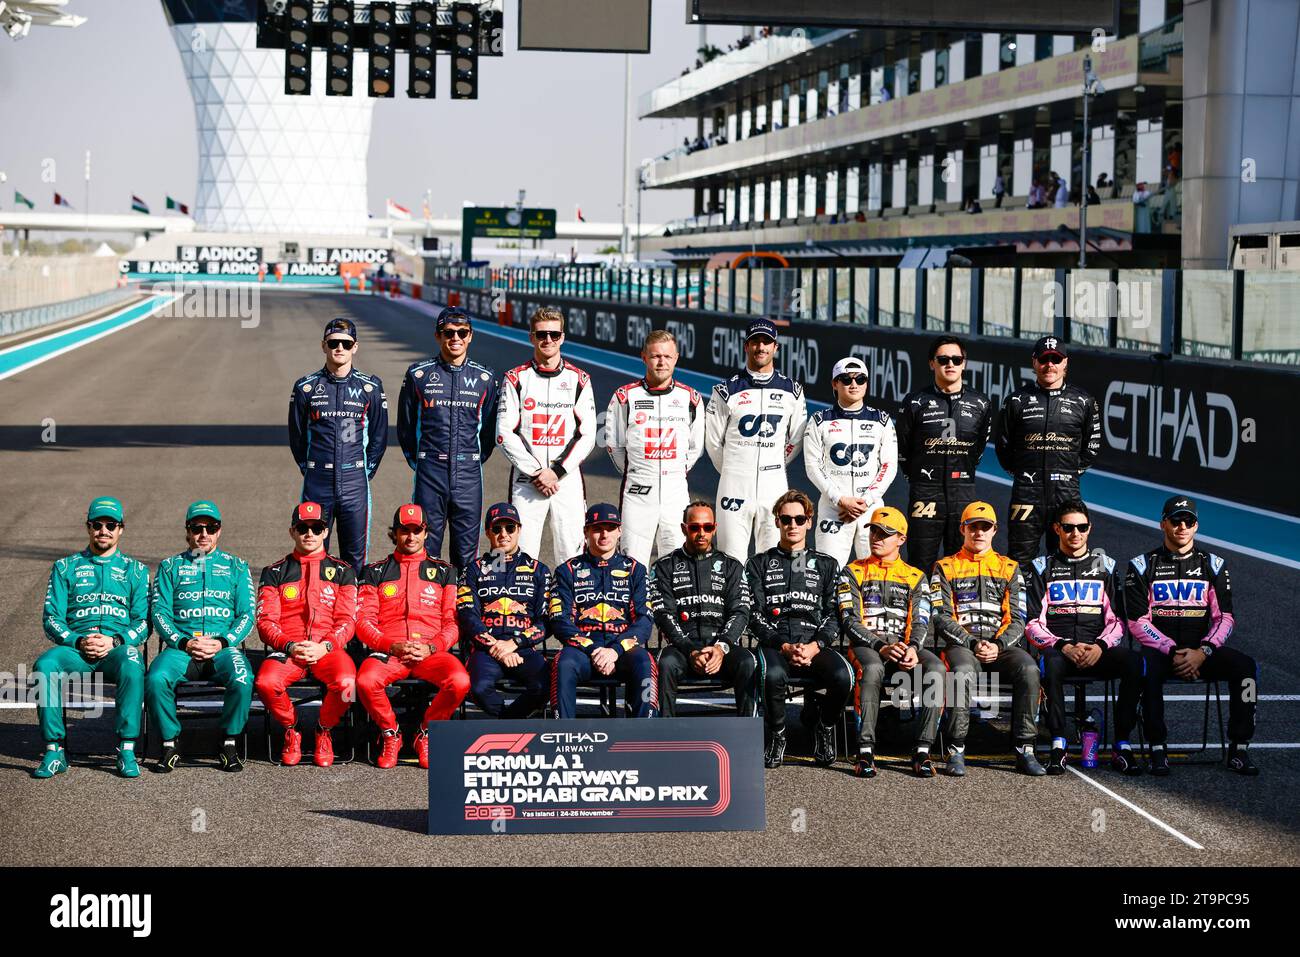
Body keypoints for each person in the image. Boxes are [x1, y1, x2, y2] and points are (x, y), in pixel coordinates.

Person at [1125, 496, 1259, 777]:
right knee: (1145, 669)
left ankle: (1240, 747)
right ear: (1163, 524)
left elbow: (1225, 617)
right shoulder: (1140, 566)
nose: (1182, 526)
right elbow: (1137, 622)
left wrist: (1205, 650)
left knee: (1246, 669)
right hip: (1161, 651)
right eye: (1176, 521)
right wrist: (1171, 650)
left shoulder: (1215, 565)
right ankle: (1157, 749)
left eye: (1189, 521)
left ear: (1196, 526)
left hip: (1202, 651)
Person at [32, 497, 149, 779]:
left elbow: (144, 623)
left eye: (111, 525)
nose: (104, 530)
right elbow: (51, 619)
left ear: (121, 529)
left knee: (133, 663)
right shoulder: (64, 567)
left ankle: (127, 748)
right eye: (97, 524)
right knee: (44, 666)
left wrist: (116, 641)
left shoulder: (136, 570)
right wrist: (77, 640)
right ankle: (53, 749)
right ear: (88, 528)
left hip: (116, 648)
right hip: (76, 649)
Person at [1025, 500, 1143, 775]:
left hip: (1098, 648)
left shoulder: (1107, 566)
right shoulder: (1042, 567)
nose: (1075, 533)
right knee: (1050, 665)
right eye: (1068, 527)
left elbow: (1118, 621)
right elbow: (1031, 623)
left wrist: (1101, 646)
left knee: (1135, 663)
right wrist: (1063, 645)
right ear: (1057, 529)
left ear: (1090, 529)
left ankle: (1122, 744)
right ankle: (1058, 743)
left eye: (1081, 527)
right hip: (1060, 649)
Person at [930, 502, 1045, 777]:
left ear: (994, 530)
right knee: (962, 671)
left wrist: (999, 645)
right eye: (973, 526)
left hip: (1000, 646)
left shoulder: (1009, 567)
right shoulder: (944, 567)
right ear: (963, 530)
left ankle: (1024, 749)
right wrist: (972, 643)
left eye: (985, 527)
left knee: (1029, 668)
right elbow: (941, 616)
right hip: (963, 646)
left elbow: (1018, 617)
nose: (978, 532)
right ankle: (956, 749)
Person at [355, 504, 468, 769]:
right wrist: (389, 645)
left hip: (430, 652)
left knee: (460, 681)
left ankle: (426, 733)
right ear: (394, 533)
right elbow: (363, 621)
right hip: (390, 650)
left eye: (416, 530)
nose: (411, 537)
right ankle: (390, 734)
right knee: (365, 680)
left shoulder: (445, 571)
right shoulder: (374, 571)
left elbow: (452, 622)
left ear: (426, 533)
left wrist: (432, 647)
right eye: (404, 531)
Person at [146, 500, 254, 773]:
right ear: (188, 530)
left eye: (211, 527)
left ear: (219, 531)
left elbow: (247, 615)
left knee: (243, 679)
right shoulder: (170, 566)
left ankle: (228, 742)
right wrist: (184, 642)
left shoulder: (237, 567)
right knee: (156, 678)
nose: (203, 534)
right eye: (197, 528)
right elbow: (159, 613)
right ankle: (170, 742)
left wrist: (223, 642)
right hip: (181, 648)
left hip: (223, 648)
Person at [747, 490, 853, 769]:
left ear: (809, 521)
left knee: (843, 676)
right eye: (786, 519)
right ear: (777, 522)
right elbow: (753, 614)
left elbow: (836, 614)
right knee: (773, 675)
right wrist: (782, 645)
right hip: (776, 644)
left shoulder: (828, 565)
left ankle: (825, 726)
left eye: (799, 518)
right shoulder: (757, 564)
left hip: (814, 644)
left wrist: (816, 645)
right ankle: (778, 734)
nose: (792, 525)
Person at [837, 507, 943, 778]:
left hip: (904, 647)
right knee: (872, 669)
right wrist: (879, 646)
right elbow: (849, 620)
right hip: (868, 647)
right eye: (873, 530)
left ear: (901, 539)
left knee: (938, 670)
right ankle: (865, 751)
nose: (877, 537)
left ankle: (922, 751)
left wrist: (913, 648)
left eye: (885, 533)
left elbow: (921, 621)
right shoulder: (851, 572)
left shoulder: (916, 577)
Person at [254, 502, 359, 768]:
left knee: (348, 685)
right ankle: (293, 729)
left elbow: (348, 621)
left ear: (326, 532)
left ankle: (324, 730)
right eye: (303, 528)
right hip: (289, 649)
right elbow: (266, 622)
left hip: (328, 649)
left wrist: (326, 646)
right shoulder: (274, 572)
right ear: (292, 532)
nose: (309, 534)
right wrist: (289, 646)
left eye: (316, 527)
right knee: (266, 683)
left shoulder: (344, 571)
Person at [397, 307, 498, 571]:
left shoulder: (485, 378)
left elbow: (488, 432)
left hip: (468, 473)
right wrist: (420, 461)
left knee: (465, 554)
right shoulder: (418, 375)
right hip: (430, 472)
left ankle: (460, 610)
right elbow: (405, 428)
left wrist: (472, 459)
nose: (455, 338)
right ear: (438, 336)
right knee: (425, 548)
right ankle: (426, 609)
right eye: (448, 333)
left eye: (462, 333)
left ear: (470, 336)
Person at [496, 306, 597, 567]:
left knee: (572, 552)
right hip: (527, 480)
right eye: (542, 335)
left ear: (562, 337)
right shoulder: (515, 378)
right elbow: (504, 434)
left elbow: (587, 435)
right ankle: (522, 608)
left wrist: (557, 471)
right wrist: (538, 472)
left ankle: (569, 608)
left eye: (554, 334)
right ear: (531, 337)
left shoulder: (580, 379)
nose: (548, 340)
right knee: (521, 553)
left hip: (567, 480)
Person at [288, 317, 389, 573]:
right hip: (317, 479)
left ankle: (352, 611)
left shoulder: (371, 387)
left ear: (355, 347)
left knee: (354, 558)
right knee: (312, 552)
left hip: (355, 480)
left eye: (346, 343)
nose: (339, 348)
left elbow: (379, 438)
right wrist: (310, 467)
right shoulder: (306, 387)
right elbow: (297, 437)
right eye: (333, 343)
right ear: (324, 345)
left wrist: (363, 472)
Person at [705, 318, 808, 561]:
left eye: (766, 342)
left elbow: (795, 438)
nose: (760, 347)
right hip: (734, 483)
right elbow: (713, 441)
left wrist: (775, 463)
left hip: (774, 484)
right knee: (732, 560)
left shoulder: (792, 390)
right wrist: (734, 468)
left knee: (773, 561)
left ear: (776, 348)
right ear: (746, 346)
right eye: (755, 342)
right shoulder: (725, 390)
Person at [994, 336, 1101, 566]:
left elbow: (1092, 445)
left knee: (1066, 560)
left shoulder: (1084, 401)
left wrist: (1069, 473)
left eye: (1055, 359)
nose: (1049, 365)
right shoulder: (1016, 400)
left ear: (1065, 363)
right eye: (1044, 359)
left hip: (1066, 495)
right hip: (1026, 494)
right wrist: (1024, 475)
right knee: (1020, 563)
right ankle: (1022, 604)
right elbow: (1003, 446)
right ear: (1034, 363)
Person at [606, 330, 705, 566]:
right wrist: (640, 471)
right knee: (632, 564)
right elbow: (614, 445)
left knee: (678, 564)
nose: (661, 362)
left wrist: (673, 473)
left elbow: (695, 448)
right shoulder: (624, 396)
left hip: (676, 493)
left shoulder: (691, 398)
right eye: (655, 356)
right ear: (643, 357)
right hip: (638, 493)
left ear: (676, 358)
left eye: (667, 357)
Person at [895, 335, 992, 576]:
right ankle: (919, 613)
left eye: (956, 359)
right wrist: (919, 478)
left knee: (961, 561)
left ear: (964, 363)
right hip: (925, 491)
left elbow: (978, 450)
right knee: (920, 560)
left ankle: (955, 613)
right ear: (932, 363)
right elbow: (903, 449)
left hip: (963, 491)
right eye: (943, 359)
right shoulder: (915, 402)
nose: (950, 364)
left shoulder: (980, 403)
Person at [651, 501, 758, 717]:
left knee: (748, 661)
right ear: (684, 528)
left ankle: (747, 737)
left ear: (715, 528)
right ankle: (665, 737)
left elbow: (740, 612)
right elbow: (663, 615)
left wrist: (721, 648)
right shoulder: (664, 566)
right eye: (694, 527)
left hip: (721, 648)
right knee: (665, 663)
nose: (702, 533)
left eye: (707, 527)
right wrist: (690, 650)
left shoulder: (732, 566)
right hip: (683, 648)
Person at [549, 504, 657, 719]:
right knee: (563, 664)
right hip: (583, 649)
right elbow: (560, 620)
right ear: (586, 532)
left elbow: (644, 620)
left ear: (619, 532)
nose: (604, 534)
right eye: (597, 528)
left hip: (623, 648)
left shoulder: (635, 570)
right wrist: (594, 650)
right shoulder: (567, 571)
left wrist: (615, 650)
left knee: (645, 662)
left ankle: (645, 732)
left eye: (610, 527)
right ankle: (562, 734)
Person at [459, 502, 551, 719]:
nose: (504, 534)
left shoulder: (538, 570)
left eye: (510, 528)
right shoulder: (473, 569)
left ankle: (508, 723)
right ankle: (514, 724)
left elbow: (545, 621)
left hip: (524, 648)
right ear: (487, 532)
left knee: (546, 685)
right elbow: (467, 615)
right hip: (486, 649)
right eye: (497, 528)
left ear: (519, 530)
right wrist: (497, 648)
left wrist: (514, 644)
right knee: (478, 688)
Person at [804, 356, 897, 567]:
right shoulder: (819, 420)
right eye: (846, 379)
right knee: (829, 573)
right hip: (834, 508)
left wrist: (866, 501)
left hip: (871, 509)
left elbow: (888, 466)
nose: (853, 384)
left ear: (867, 383)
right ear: (834, 384)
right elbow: (813, 466)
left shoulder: (881, 420)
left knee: (876, 573)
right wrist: (840, 499)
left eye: (860, 379)